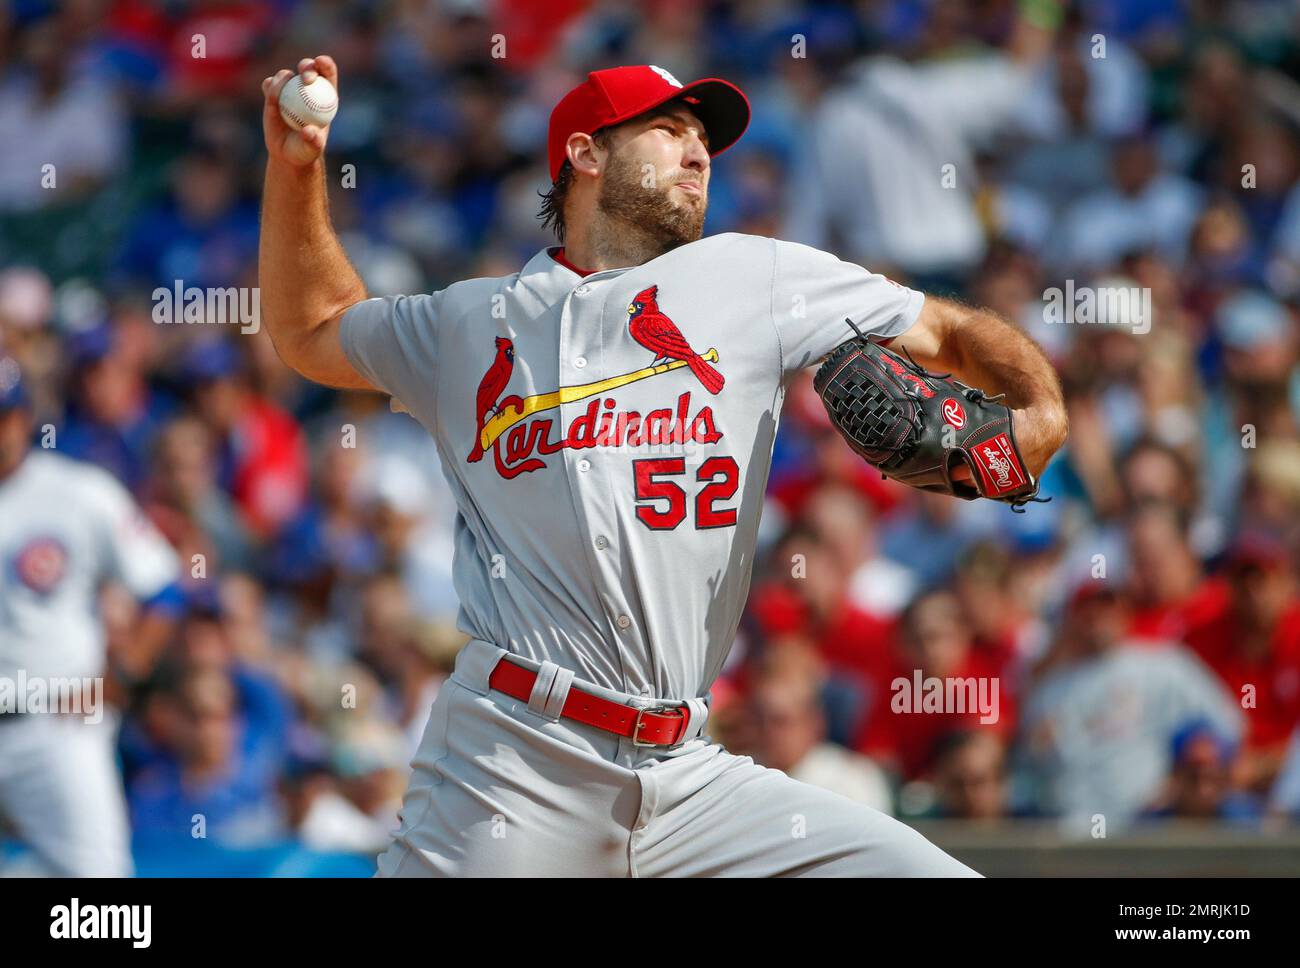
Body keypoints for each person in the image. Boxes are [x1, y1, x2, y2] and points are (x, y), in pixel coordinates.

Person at [257, 56, 1067, 876]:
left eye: (704, 140)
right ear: (585, 153)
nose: (698, 153)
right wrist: (298, 170)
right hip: (511, 764)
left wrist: (1042, 413)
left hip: (689, 774)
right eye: (668, 129)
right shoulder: (469, 323)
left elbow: (950, 333)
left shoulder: (756, 275)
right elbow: (314, 329)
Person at [0, 356, 180, 875]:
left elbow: (164, 590)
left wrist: (122, 675)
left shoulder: (77, 492)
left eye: (4, 415)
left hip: (55, 723)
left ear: (24, 416)